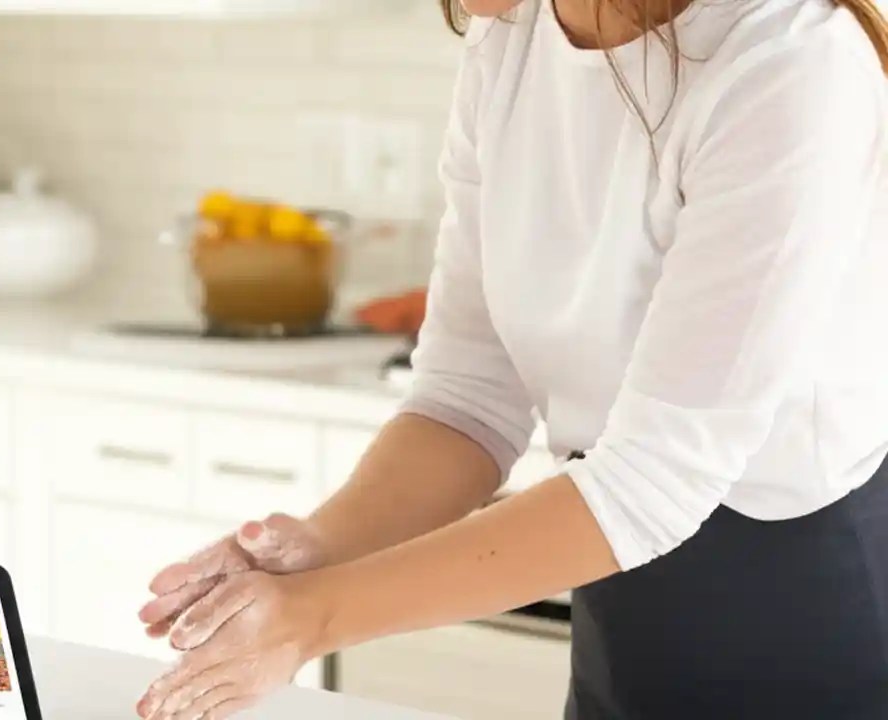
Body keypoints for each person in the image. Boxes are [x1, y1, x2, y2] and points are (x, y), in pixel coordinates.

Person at [134, 0, 888, 716]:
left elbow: (656, 478)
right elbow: (466, 399)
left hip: (807, 617)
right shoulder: (517, 37)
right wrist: (320, 549)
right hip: (617, 589)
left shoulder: (789, 64)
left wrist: (311, 618)